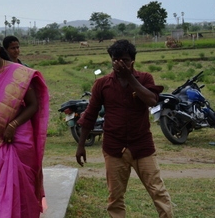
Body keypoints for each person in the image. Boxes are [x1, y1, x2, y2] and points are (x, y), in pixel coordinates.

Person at [75, 40, 174, 218]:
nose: (120, 64)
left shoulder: (144, 79)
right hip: (114, 147)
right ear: (111, 60)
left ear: (133, 61)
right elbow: (90, 115)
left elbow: (152, 101)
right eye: (116, 60)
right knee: (115, 197)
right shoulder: (102, 84)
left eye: (125, 60)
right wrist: (81, 145)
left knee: (158, 191)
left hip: (142, 146)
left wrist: (129, 77)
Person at [0, 32, 49, 218]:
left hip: (19, 138)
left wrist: (13, 124)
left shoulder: (18, 73)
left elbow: (33, 105)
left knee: (22, 187)